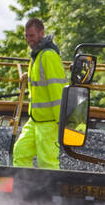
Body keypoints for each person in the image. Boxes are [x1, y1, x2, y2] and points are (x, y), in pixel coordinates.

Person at [12, 18, 67, 169]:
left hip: (49, 122)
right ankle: (24, 190)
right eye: (26, 36)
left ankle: (49, 193)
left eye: (32, 36)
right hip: (36, 120)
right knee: (20, 152)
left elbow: (57, 91)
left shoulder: (48, 56)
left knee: (47, 162)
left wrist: (61, 121)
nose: (29, 40)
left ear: (41, 33)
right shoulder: (36, 57)